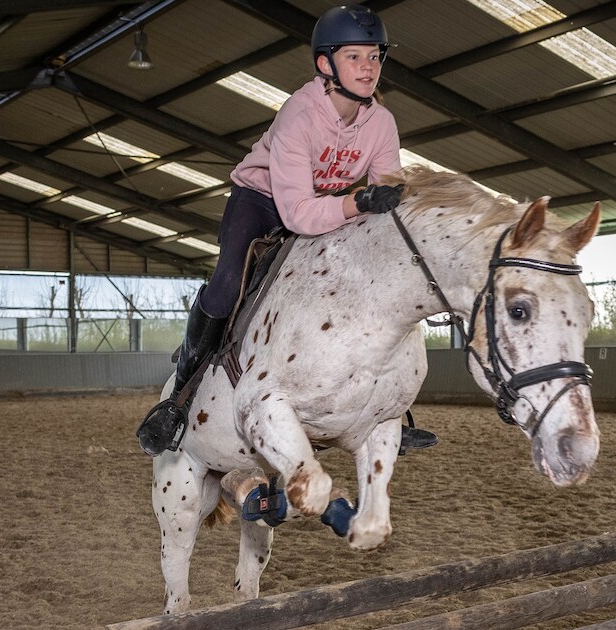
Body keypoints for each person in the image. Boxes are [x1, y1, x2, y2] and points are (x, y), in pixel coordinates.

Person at [136, 4, 437, 456]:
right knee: (226, 285)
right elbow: (297, 214)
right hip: (262, 203)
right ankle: (178, 401)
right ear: (325, 63)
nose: (369, 67)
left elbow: (386, 196)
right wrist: (357, 202)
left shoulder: (383, 123)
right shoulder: (300, 112)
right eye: (355, 57)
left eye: (375, 57)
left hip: (328, 207)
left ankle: (382, 411)